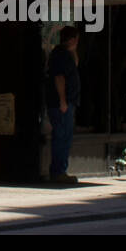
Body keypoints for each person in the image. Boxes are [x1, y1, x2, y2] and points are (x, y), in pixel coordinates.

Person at [45, 26, 80, 184]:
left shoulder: (66, 54)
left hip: (66, 103)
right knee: (62, 136)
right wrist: (63, 101)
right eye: (76, 40)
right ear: (72, 39)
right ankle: (58, 171)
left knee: (65, 136)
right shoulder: (60, 55)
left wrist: (73, 51)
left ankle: (60, 170)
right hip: (61, 104)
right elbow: (59, 78)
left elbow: (76, 64)